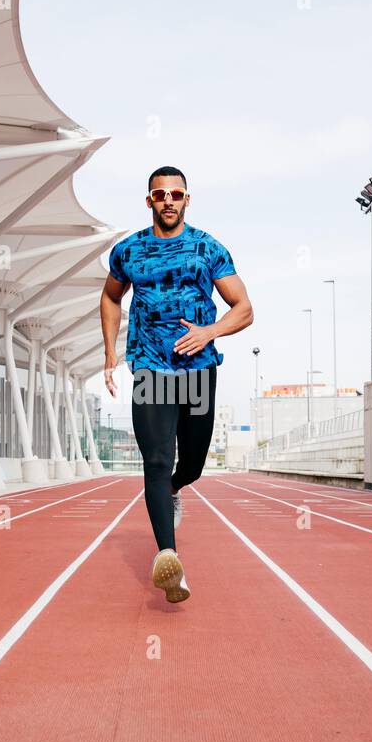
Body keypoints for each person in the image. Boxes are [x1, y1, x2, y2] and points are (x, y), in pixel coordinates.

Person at [99, 166, 253, 602]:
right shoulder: (128, 251)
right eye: (160, 194)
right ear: (149, 200)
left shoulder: (207, 248)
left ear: (187, 200)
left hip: (199, 368)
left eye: (176, 193)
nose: (168, 200)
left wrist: (209, 332)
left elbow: (244, 308)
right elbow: (111, 296)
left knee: (192, 464)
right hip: (150, 367)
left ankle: (175, 488)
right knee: (155, 459)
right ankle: (168, 556)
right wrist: (112, 351)